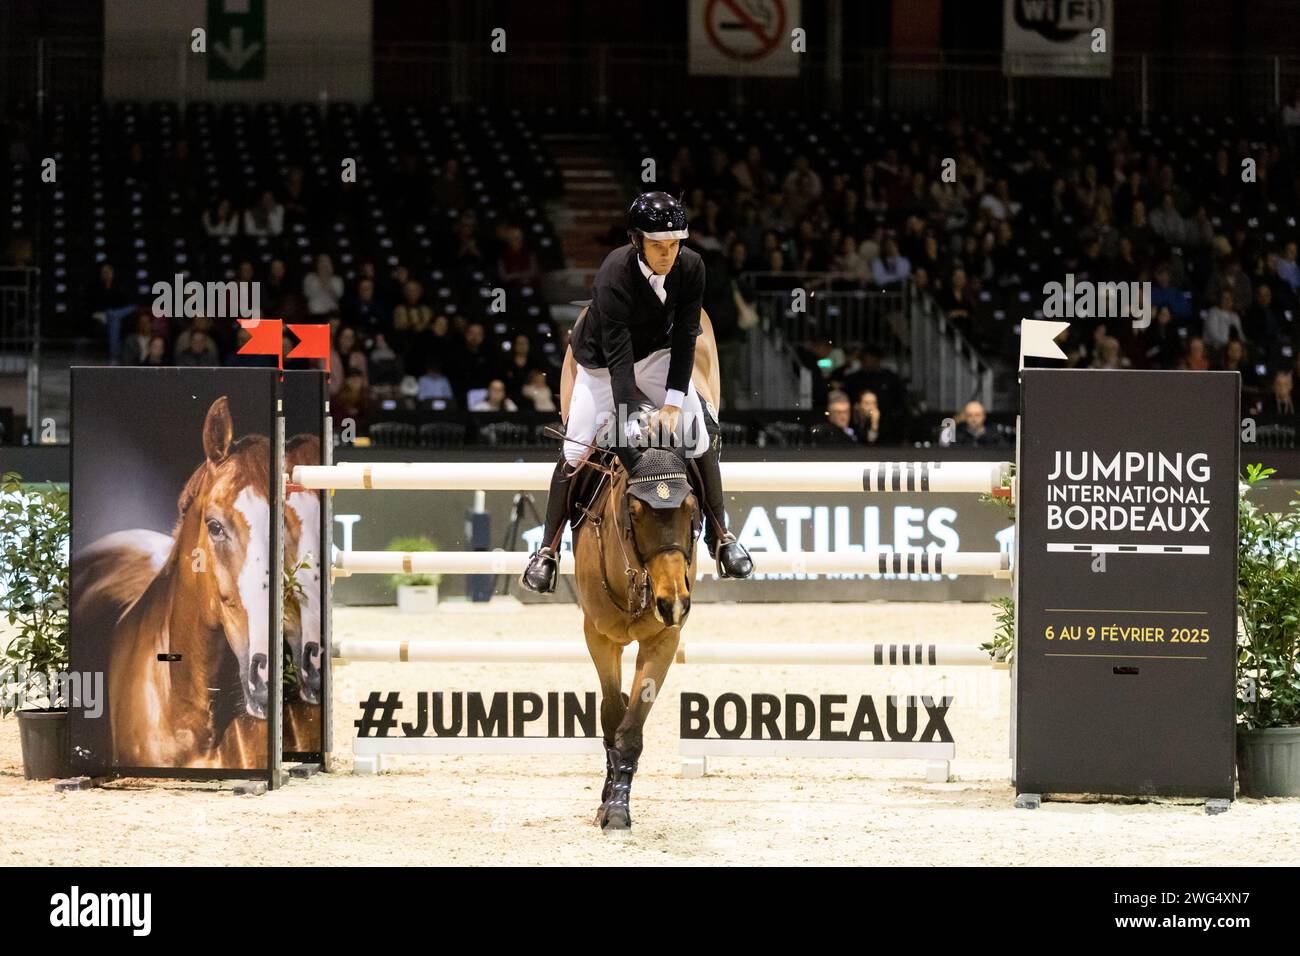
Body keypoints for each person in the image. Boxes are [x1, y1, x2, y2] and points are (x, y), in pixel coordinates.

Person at [521, 191, 753, 593]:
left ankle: (720, 535)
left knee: (699, 433)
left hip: (660, 354)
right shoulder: (614, 274)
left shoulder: (693, 267)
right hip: (602, 364)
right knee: (576, 450)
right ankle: (548, 551)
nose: (668, 254)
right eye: (658, 246)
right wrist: (630, 422)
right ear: (637, 241)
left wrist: (674, 404)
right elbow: (619, 358)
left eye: (675, 244)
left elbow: (685, 338)